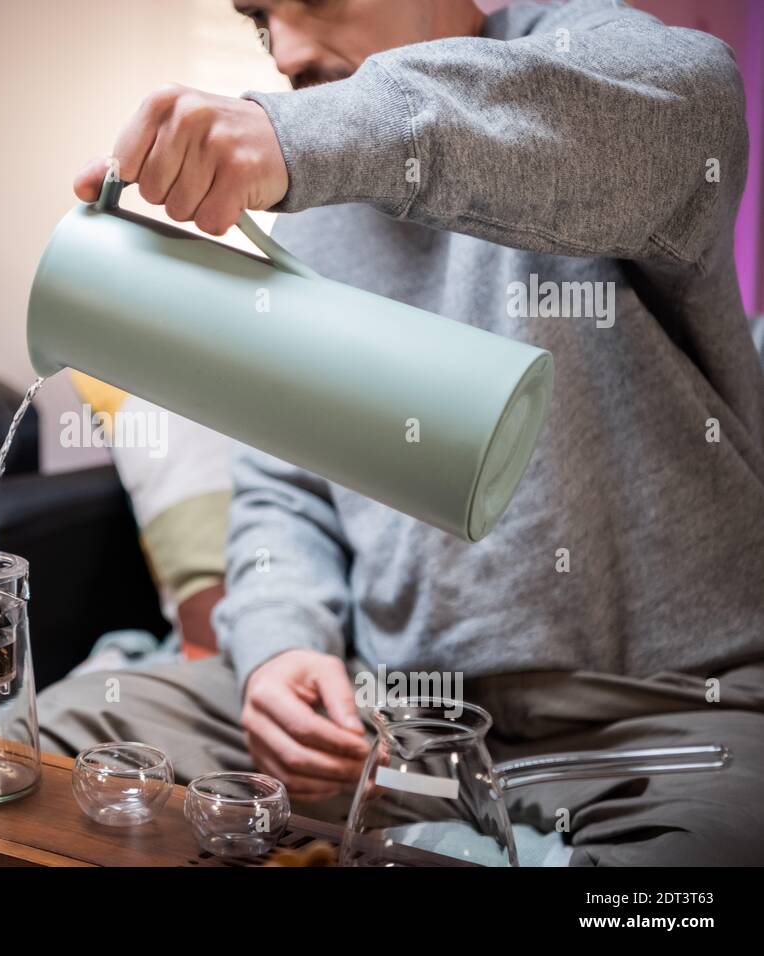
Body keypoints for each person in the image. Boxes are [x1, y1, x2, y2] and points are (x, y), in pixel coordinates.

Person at [38, 0, 764, 865]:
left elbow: (699, 100)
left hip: (658, 715)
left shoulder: (584, 68)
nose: (290, 52)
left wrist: (303, 135)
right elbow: (283, 486)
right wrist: (282, 647)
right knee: (26, 745)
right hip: (389, 721)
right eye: (263, 18)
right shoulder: (310, 214)